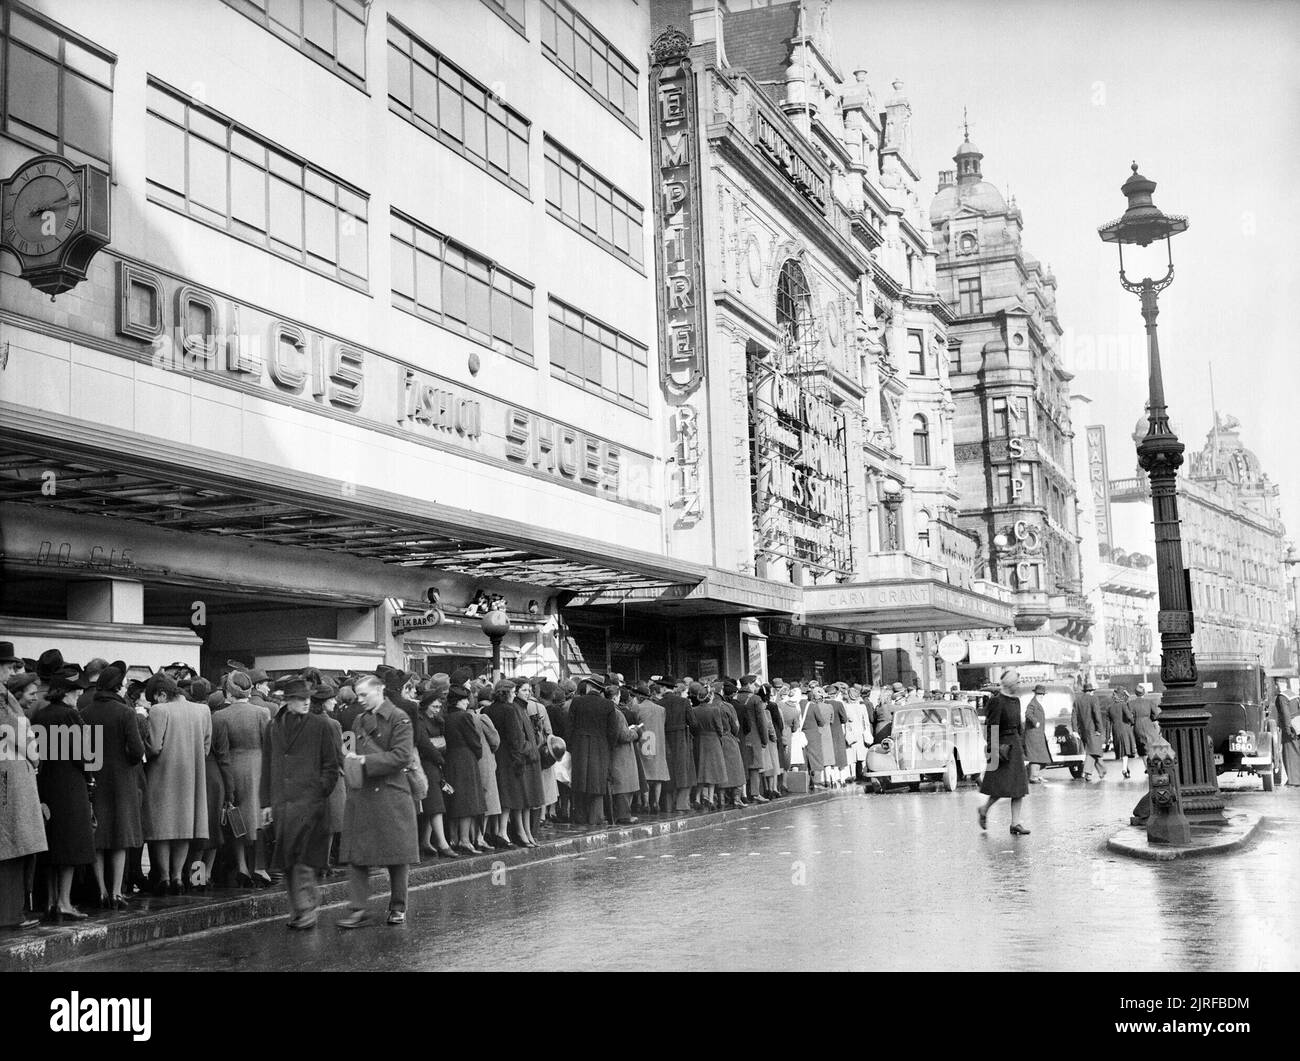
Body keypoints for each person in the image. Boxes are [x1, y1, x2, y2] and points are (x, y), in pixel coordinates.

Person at [338, 674, 420, 928]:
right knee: (357, 854)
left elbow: (402, 757)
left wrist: (365, 761)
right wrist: (348, 760)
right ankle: (358, 909)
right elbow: (348, 748)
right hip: (364, 794)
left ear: (380, 690)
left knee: (397, 855)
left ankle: (398, 907)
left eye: (364, 694)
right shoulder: (358, 719)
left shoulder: (399, 718)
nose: (360, 700)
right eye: (357, 695)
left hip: (391, 793)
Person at [258, 678, 340, 929]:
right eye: (299, 698)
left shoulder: (320, 725)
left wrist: (319, 791)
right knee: (288, 859)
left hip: (310, 803)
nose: (306, 701)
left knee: (303, 857)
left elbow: (331, 765)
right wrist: (266, 803)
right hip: (283, 803)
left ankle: (307, 909)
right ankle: (298, 909)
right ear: (287, 700)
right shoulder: (273, 727)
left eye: (307, 698)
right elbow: (268, 765)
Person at [79, 664, 145, 910]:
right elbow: (137, 750)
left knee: (98, 836)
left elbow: (83, 750)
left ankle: (101, 891)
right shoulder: (125, 713)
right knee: (119, 837)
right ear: (118, 686)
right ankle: (117, 892)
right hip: (121, 780)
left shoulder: (85, 712)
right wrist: (127, 761)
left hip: (95, 778)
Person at [33, 671, 97, 921]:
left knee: (52, 846)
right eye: (75, 690)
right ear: (64, 692)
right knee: (71, 846)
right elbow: (85, 754)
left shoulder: (41, 714)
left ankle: (50, 901)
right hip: (71, 785)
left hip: (46, 783)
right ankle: (65, 902)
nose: (79, 694)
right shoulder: (71, 715)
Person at [143, 672, 212, 894]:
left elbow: (154, 747)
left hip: (162, 775)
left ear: (161, 694)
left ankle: (163, 877)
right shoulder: (203, 711)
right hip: (191, 777)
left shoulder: (158, 710)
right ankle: (178, 877)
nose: (154, 702)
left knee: (162, 829)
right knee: (185, 827)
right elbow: (206, 747)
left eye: (154, 697)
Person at [1, 649, 47, 929]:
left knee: (13, 844)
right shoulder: (3, 699)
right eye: (7, 667)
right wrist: (34, 754)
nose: (11, 673)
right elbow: (17, 733)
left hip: (10, 775)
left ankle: (12, 911)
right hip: (11, 777)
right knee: (12, 845)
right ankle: (10, 913)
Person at [214, 671, 270, 887]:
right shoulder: (262, 712)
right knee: (259, 819)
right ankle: (259, 868)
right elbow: (269, 745)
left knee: (236, 816)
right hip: (258, 767)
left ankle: (241, 867)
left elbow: (222, 752)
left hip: (232, 768)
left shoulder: (220, 716)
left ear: (229, 690)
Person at [486, 680, 539, 848]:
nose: (515, 694)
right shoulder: (510, 710)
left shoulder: (489, 709)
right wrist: (521, 758)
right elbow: (516, 738)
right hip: (509, 757)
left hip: (495, 755)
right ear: (506, 692)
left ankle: (496, 832)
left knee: (499, 794)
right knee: (510, 796)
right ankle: (503, 832)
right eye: (514, 691)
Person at [978, 669, 1030, 835]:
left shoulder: (1016, 701)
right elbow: (992, 727)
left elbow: (1019, 726)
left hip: (1015, 745)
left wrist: (1022, 745)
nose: (1019, 686)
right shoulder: (997, 701)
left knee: (1019, 787)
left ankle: (1015, 823)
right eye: (1018, 683)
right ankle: (984, 809)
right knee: (1001, 787)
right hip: (1002, 748)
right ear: (1010, 684)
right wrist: (993, 750)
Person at [567, 676, 623, 827]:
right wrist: (608, 747)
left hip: (579, 746)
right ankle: (595, 817)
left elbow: (569, 727)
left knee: (580, 781)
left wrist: (571, 746)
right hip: (600, 747)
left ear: (589, 686)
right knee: (597, 783)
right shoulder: (608, 705)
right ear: (600, 689)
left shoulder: (577, 702)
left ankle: (579, 817)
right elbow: (613, 732)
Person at [442, 680, 487, 854]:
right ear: (459, 701)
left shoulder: (444, 717)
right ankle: (465, 840)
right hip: (466, 760)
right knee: (467, 802)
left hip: (449, 759)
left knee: (453, 800)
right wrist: (476, 753)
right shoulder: (464, 716)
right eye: (465, 700)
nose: (468, 702)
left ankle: (453, 839)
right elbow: (475, 742)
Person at [660, 676, 696, 814]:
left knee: (668, 770)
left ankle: (667, 805)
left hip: (665, 738)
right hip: (682, 738)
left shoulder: (659, 703)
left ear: (663, 688)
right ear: (674, 688)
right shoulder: (684, 702)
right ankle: (682, 805)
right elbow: (693, 723)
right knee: (684, 770)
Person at [632, 680, 669, 814]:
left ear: (640, 697)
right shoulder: (661, 709)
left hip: (645, 741)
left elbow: (635, 723)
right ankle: (656, 803)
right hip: (658, 742)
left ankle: (645, 802)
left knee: (645, 773)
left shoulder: (637, 708)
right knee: (658, 774)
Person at [1072, 681, 1108, 781]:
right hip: (1093, 730)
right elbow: (1097, 714)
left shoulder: (1077, 700)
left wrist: (1075, 729)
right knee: (1094, 751)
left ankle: (1102, 771)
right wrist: (1099, 729)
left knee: (1093, 750)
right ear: (1091, 691)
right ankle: (1087, 772)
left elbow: (1074, 715)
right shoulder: (1093, 699)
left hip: (1083, 730)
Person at [1272, 681, 1300, 787]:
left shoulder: (1281, 697)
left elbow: (1285, 713)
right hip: (1298, 724)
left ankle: (1294, 780)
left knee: (1289, 754)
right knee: (1297, 751)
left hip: (1290, 727)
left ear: (1277, 685)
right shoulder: (1294, 695)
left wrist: (1288, 729)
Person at [1023, 684, 1052, 784]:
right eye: (1042, 695)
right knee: (1035, 757)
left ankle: (1038, 775)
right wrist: (1035, 722)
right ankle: (1033, 777)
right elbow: (1028, 714)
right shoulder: (1032, 704)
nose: (1043, 697)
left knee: (1043, 756)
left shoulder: (1036, 703)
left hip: (1038, 735)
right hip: (1033, 736)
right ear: (1038, 695)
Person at [1107, 687, 1137, 779]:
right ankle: (1124, 769)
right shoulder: (1123, 705)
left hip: (1115, 730)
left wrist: (1108, 736)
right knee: (1125, 750)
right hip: (1125, 728)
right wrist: (1133, 721)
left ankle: (1126, 769)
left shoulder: (1109, 707)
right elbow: (1129, 716)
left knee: (1123, 750)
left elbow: (1108, 723)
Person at [1131, 683, 1161, 760]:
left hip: (1137, 725)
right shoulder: (1149, 702)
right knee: (1153, 743)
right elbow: (1155, 715)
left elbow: (1129, 716)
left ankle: (1146, 766)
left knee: (1141, 748)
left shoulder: (1131, 703)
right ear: (1143, 692)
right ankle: (1155, 763)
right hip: (1148, 724)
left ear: (1135, 693)